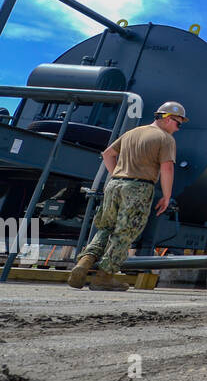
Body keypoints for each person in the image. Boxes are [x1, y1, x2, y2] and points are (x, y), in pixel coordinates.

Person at [68, 101, 183, 291]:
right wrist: (167, 195)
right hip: (138, 187)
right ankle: (104, 276)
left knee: (105, 229)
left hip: (114, 185)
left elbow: (107, 154)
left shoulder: (132, 133)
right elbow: (167, 167)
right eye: (178, 124)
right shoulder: (165, 139)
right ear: (168, 119)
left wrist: (115, 175)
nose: (178, 129)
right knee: (124, 232)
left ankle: (84, 263)